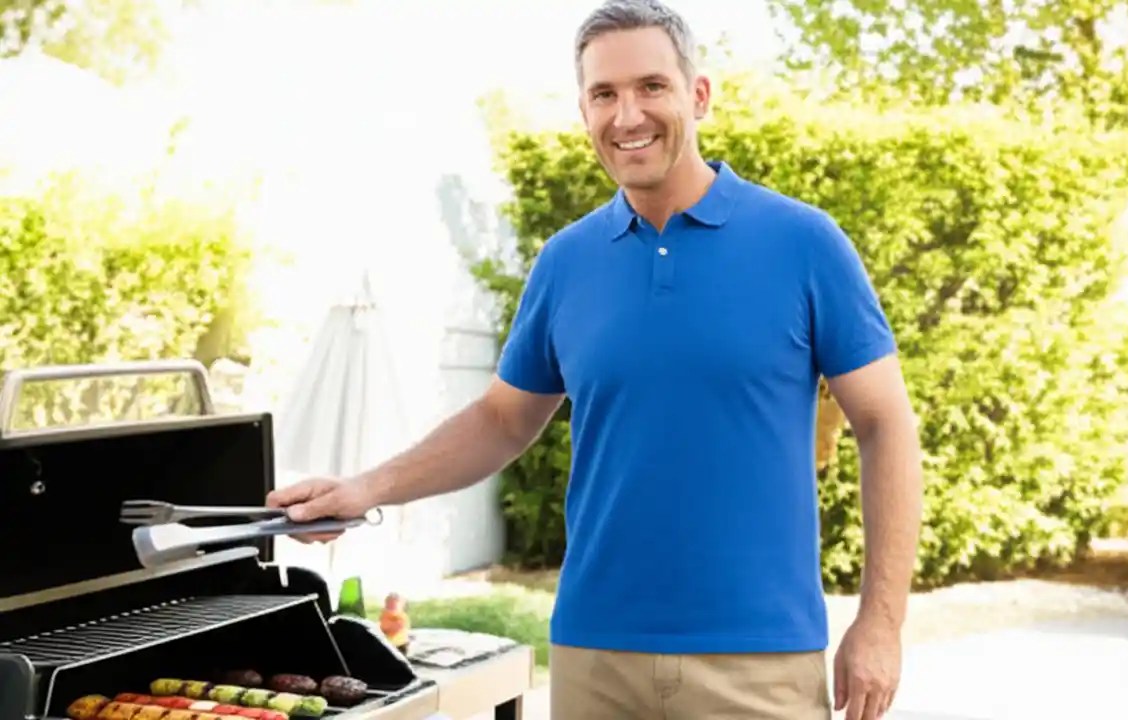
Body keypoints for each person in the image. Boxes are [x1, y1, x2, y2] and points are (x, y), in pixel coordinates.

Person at [266, 0, 924, 718]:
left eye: (651, 86)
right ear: (584, 112)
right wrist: (367, 488)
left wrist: (881, 622)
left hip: (760, 662)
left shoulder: (804, 244)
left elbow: (885, 424)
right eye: (603, 94)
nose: (627, 115)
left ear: (698, 95)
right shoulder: (566, 262)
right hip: (594, 659)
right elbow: (502, 420)